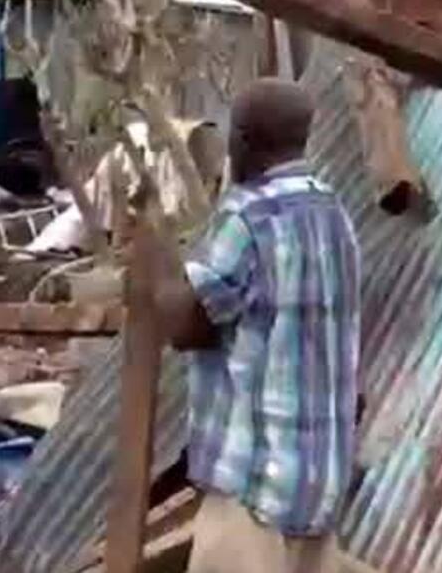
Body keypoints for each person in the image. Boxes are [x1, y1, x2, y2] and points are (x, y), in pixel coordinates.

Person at [128, 78, 361, 573]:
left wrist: (156, 237)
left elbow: (187, 325)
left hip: (253, 491)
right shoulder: (334, 213)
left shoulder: (248, 217)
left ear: (243, 141)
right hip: (318, 484)